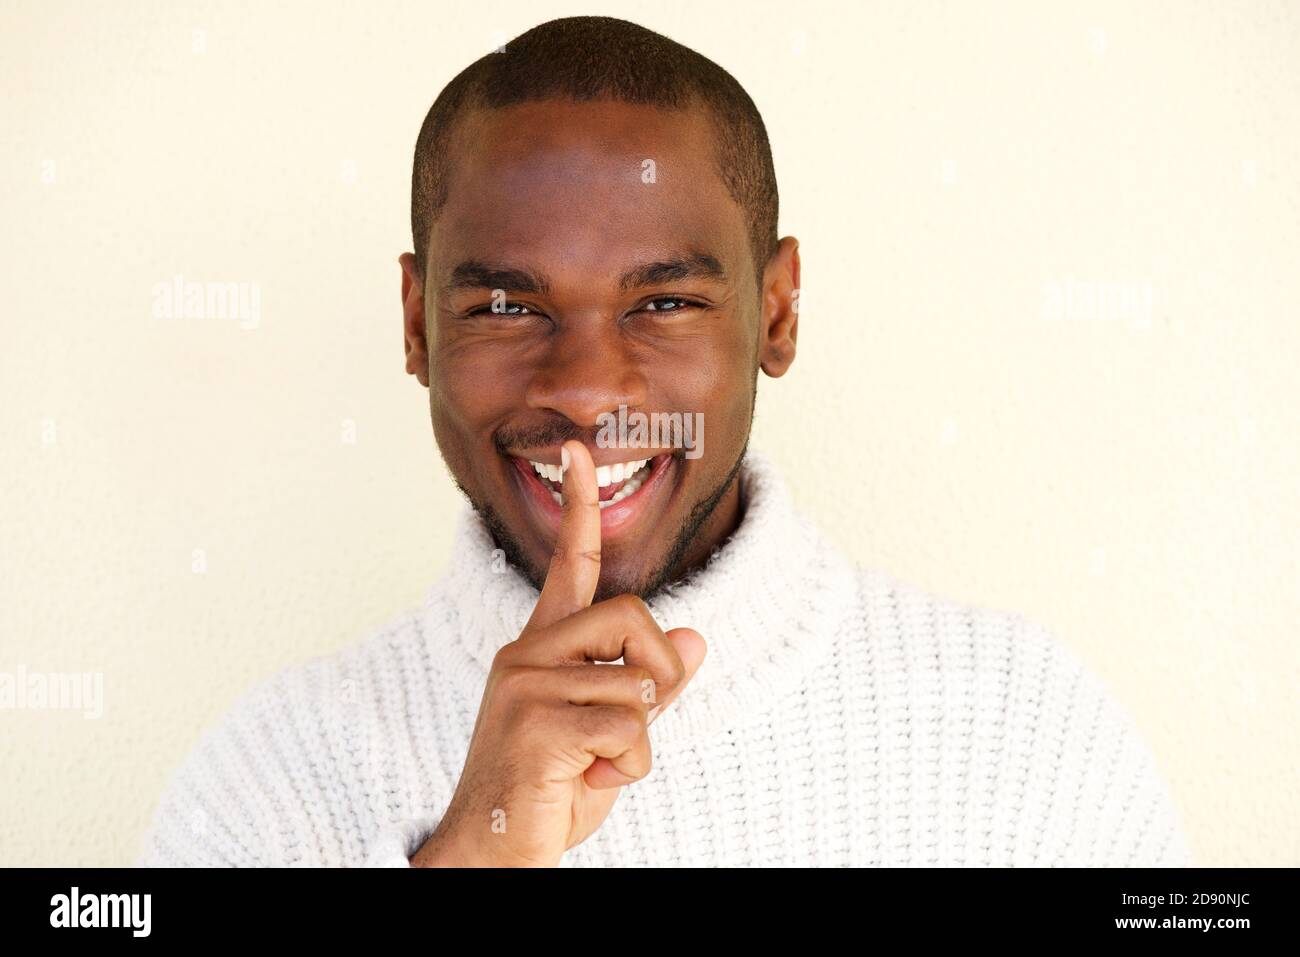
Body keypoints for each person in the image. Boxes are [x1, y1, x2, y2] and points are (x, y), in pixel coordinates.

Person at [138, 15, 1190, 867]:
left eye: (666, 302)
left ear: (775, 314)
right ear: (416, 325)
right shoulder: (259, 794)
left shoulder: (1034, 738)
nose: (590, 394)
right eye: (506, 306)